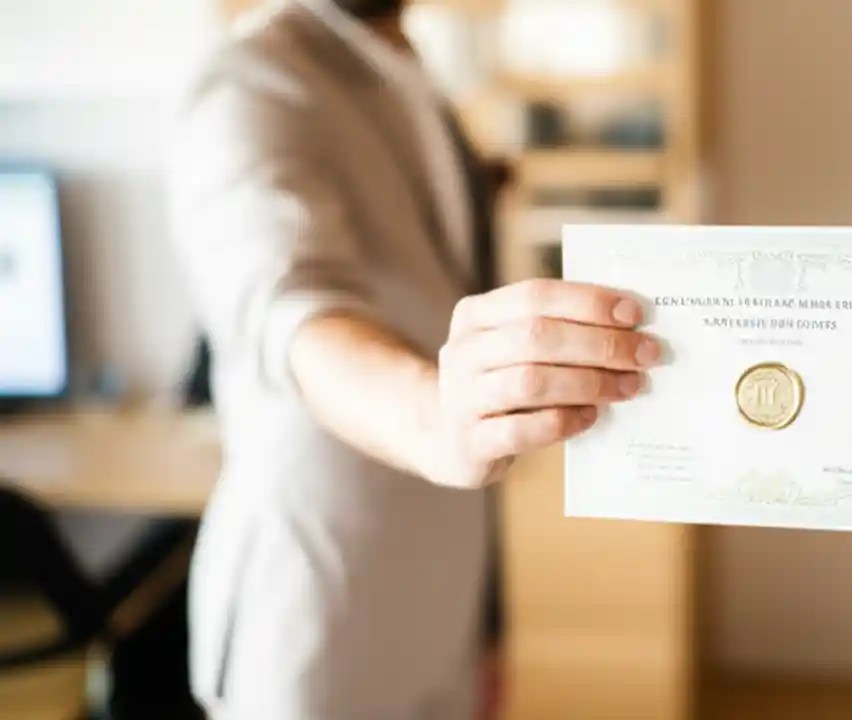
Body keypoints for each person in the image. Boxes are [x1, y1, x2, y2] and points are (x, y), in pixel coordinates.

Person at [166, 0, 658, 717]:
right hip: (321, 614)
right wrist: (433, 418)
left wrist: (488, 622)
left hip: (447, 605)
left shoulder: (408, 68)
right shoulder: (250, 80)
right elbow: (291, 308)